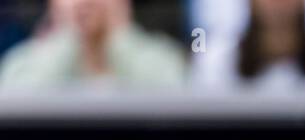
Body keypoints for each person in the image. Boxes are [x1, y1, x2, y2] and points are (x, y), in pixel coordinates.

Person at [0, 0, 185, 89]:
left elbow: (173, 106)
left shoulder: (163, 59)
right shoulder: (21, 64)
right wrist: (68, 36)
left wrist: (121, 38)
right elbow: (24, 117)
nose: (87, 2)